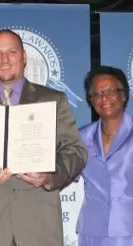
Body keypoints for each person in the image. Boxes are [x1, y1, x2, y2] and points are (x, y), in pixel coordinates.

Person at [0, 29, 86, 246]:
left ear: (24, 57)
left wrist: (49, 176)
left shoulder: (53, 99)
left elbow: (75, 152)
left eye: (12, 51)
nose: (5, 60)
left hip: (39, 229)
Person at [76, 65, 133, 246]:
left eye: (110, 91)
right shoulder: (80, 137)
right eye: (97, 94)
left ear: (124, 95)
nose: (104, 98)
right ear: (91, 101)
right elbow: (62, 173)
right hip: (91, 233)